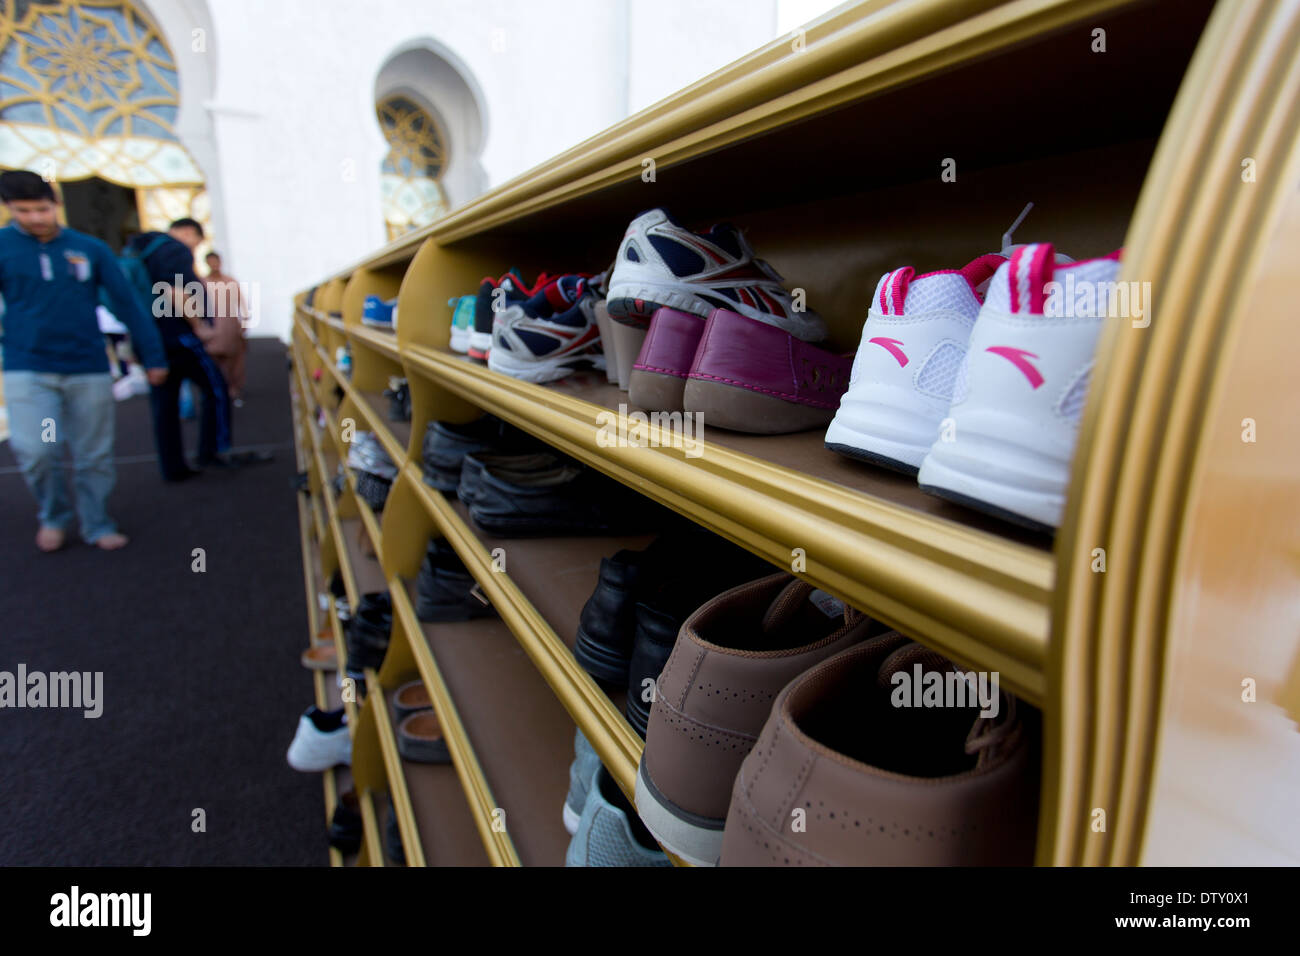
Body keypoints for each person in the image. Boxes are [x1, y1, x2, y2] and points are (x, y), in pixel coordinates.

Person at [0, 170, 168, 551]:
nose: (35, 218)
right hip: (30, 370)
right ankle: (54, 514)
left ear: (56, 203)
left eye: (42, 209)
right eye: (23, 211)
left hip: (87, 368)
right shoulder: (4, 248)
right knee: (40, 449)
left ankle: (96, 521)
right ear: (9, 208)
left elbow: (127, 303)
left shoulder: (89, 249)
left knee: (93, 453)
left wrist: (153, 355)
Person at [124, 217, 237, 480]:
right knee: (216, 389)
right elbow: (175, 291)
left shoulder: (141, 251)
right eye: (196, 242)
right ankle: (212, 451)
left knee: (164, 404)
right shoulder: (173, 249)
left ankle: (172, 467)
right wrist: (199, 327)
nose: (194, 248)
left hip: (152, 340)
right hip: (179, 337)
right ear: (188, 232)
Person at [200, 251, 247, 405]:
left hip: (230, 326)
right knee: (213, 359)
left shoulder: (230, 281)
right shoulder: (202, 282)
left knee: (233, 360)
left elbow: (241, 302)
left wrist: (244, 322)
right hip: (212, 327)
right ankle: (218, 390)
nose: (214, 265)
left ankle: (232, 389)